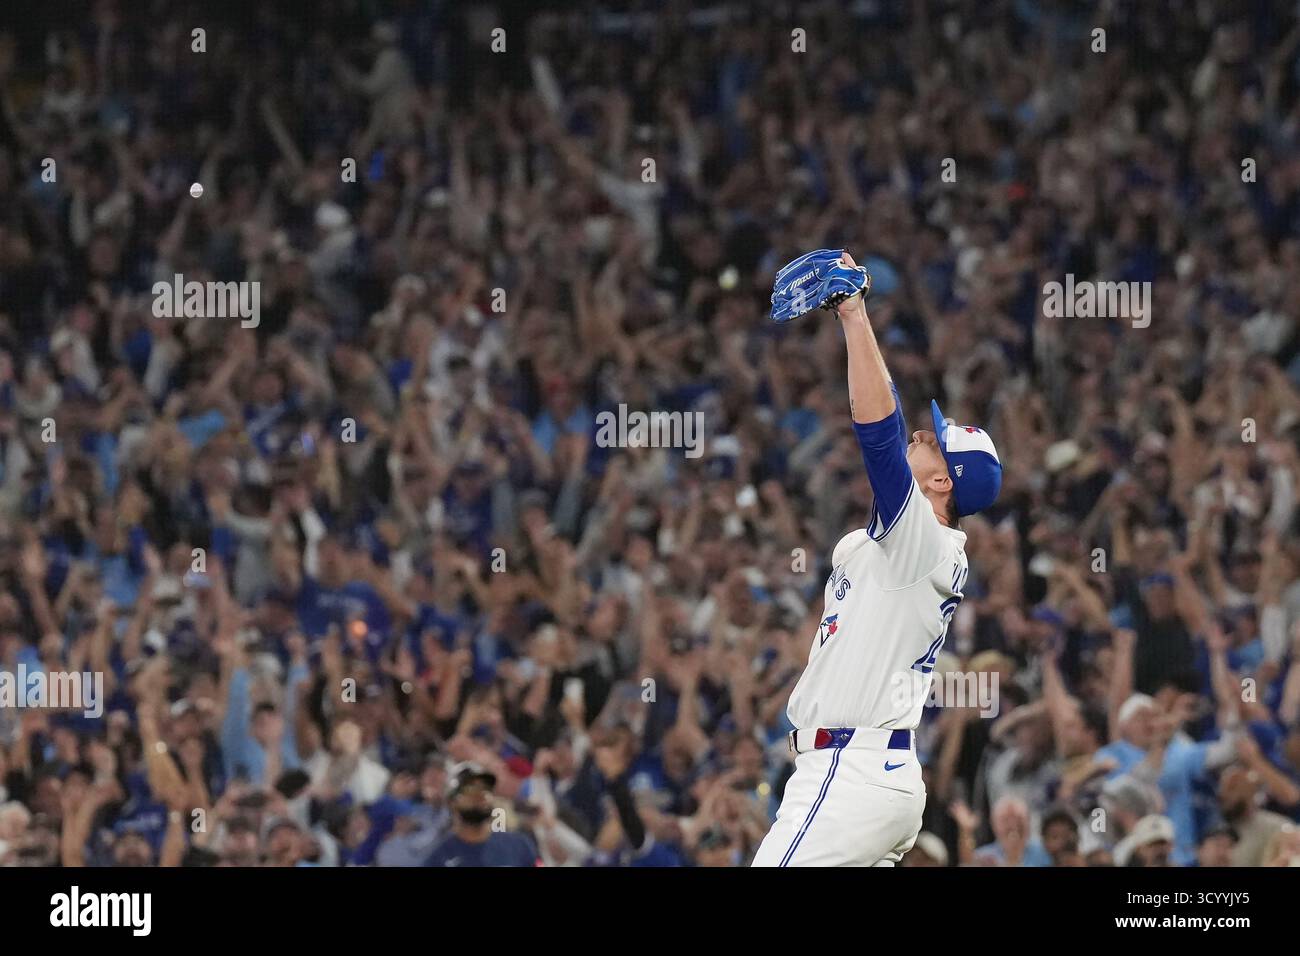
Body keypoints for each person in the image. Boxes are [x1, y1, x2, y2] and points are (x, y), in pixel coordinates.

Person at [752, 252, 1002, 867]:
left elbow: (880, 436)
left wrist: (854, 316)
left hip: (850, 773)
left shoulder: (925, 540)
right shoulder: (914, 547)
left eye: (934, 443)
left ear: (944, 483)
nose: (924, 433)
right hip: (868, 774)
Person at [423, 763, 538, 867]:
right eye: (471, 789)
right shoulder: (438, 859)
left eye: (486, 788)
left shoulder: (518, 845)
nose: (481, 795)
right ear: (452, 802)